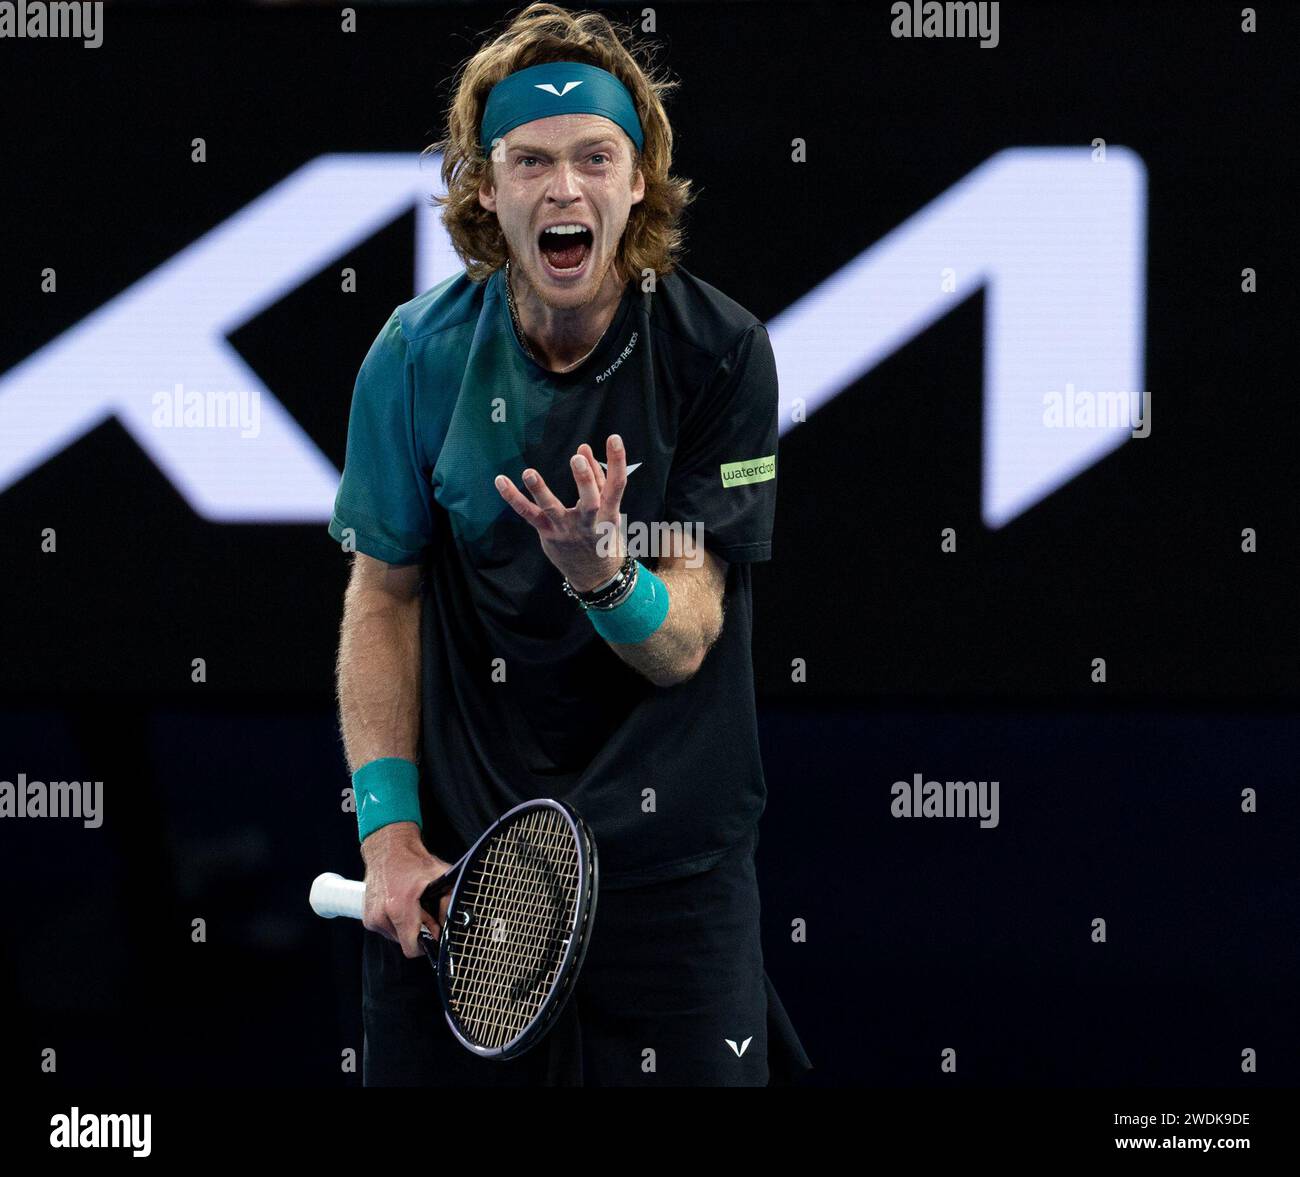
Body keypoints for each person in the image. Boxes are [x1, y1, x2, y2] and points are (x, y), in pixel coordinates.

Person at [329, 2, 810, 1086]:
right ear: (484, 188)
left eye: (595, 157)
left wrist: (605, 576)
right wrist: (389, 837)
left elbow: (685, 637)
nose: (564, 188)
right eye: (529, 160)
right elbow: (383, 597)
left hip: (669, 871)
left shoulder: (719, 354)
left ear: (637, 180)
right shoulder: (415, 357)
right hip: (469, 862)